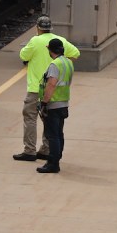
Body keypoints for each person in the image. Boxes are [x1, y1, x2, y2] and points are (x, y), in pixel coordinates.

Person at [14, 15, 79, 162]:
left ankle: (29, 151)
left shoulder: (35, 41)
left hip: (35, 88)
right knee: (48, 120)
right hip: (53, 90)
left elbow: (23, 55)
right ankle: (45, 149)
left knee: (30, 118)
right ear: (50, 28)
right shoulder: (59, 40)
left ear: (38, 28)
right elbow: (75, 53)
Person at [36, 37, 74, 174]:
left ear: (51, 50)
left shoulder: (55, 65)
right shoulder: (68, 62)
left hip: (53, 104)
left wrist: (44, 103)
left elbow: (51, 84)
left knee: (52, 135)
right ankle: (57, 158)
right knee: (59, 133)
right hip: (64, 103)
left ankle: (53, 163)